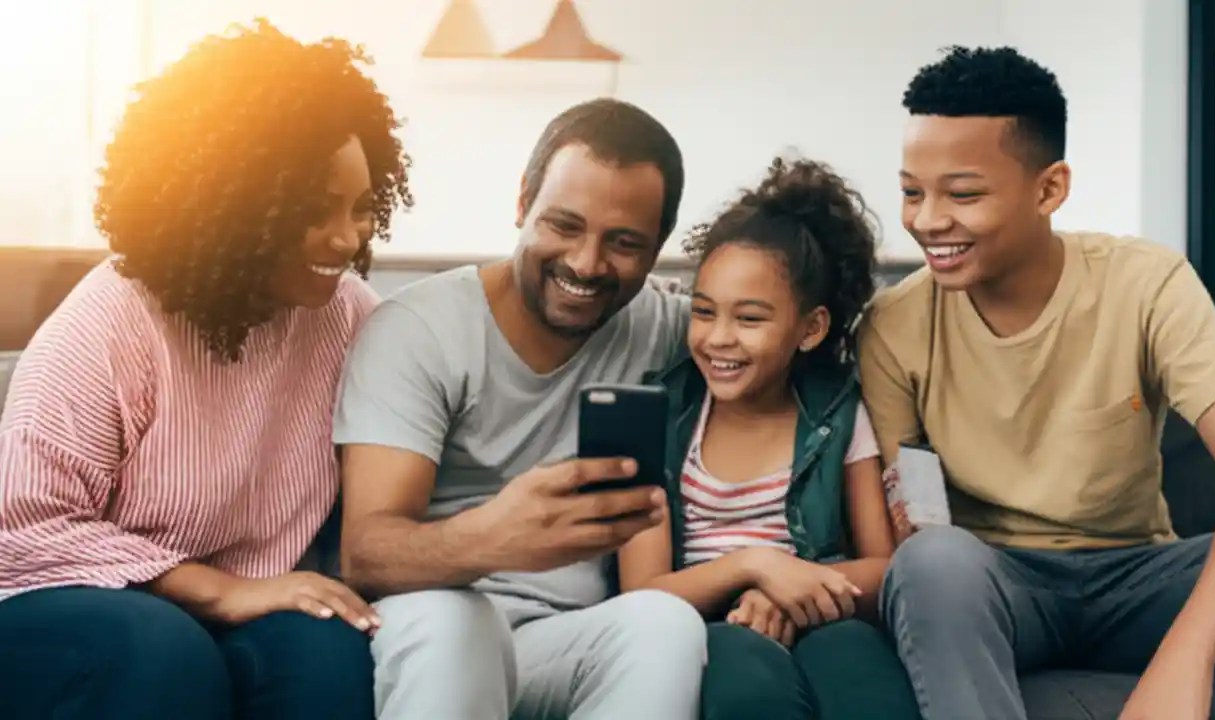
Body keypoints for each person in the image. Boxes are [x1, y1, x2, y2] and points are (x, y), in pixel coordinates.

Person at [0, 20, 412, 720]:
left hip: (246, 603)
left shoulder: (348, 317)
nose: (347, 239)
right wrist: (216, 590)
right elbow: (23, 530)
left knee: (330, 653)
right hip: (64, 603)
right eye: (317, 212)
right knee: (163, 649)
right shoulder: (111, 321)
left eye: (361, 208)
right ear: (236, 207)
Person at [859, 46, 1215, 720]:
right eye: (913, 191)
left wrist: (1186, 661)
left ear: (1049, 189)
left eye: (962, 193)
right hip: (999, 590)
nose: (929, 219)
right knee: (933, 564)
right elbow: (916, 523)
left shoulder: (1147, 283)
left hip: (1141, 579)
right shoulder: (893, 326)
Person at [334, 98, 706, 720]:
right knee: (457, 624)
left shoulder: (668, 326)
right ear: (522, 202)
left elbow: (784, 325)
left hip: (563, 636)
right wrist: (499, 537)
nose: (587, 264)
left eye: (623, 242)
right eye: (564, 225)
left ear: (657, 246)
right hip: (428, 618)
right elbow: (365, 554)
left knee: (665, 623)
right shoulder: (421, 329)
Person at [616, 157, 920, 720]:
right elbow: (642, 594)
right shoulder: (657, 416)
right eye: (703, 312)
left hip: (825, 614)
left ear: (811, 328)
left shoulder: (839, 413)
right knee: (743, 683)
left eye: (750, 319)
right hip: (704, 623)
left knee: (867, 682)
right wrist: (752, 567)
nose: (718, 339)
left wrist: (784, 594)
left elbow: (883, 568)